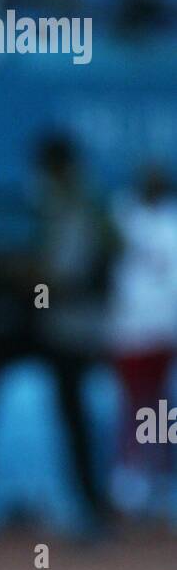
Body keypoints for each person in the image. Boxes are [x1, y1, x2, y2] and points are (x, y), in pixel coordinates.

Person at [0, 133, 116, 532]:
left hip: (72, 329)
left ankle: (94, 510)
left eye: (44, 170)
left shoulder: (81, 208)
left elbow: (62, 278)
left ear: (58, 169)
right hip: (50, 323)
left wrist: (15, 270)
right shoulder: (61, 205)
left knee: (72, 414)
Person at [107, 164, 177, 518]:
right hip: (128, 330)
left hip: (162, 330)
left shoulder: (172, 223)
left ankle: (160, 482)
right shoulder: (122, 215)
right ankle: (130, 483)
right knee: (133, 406)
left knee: (160, 408)